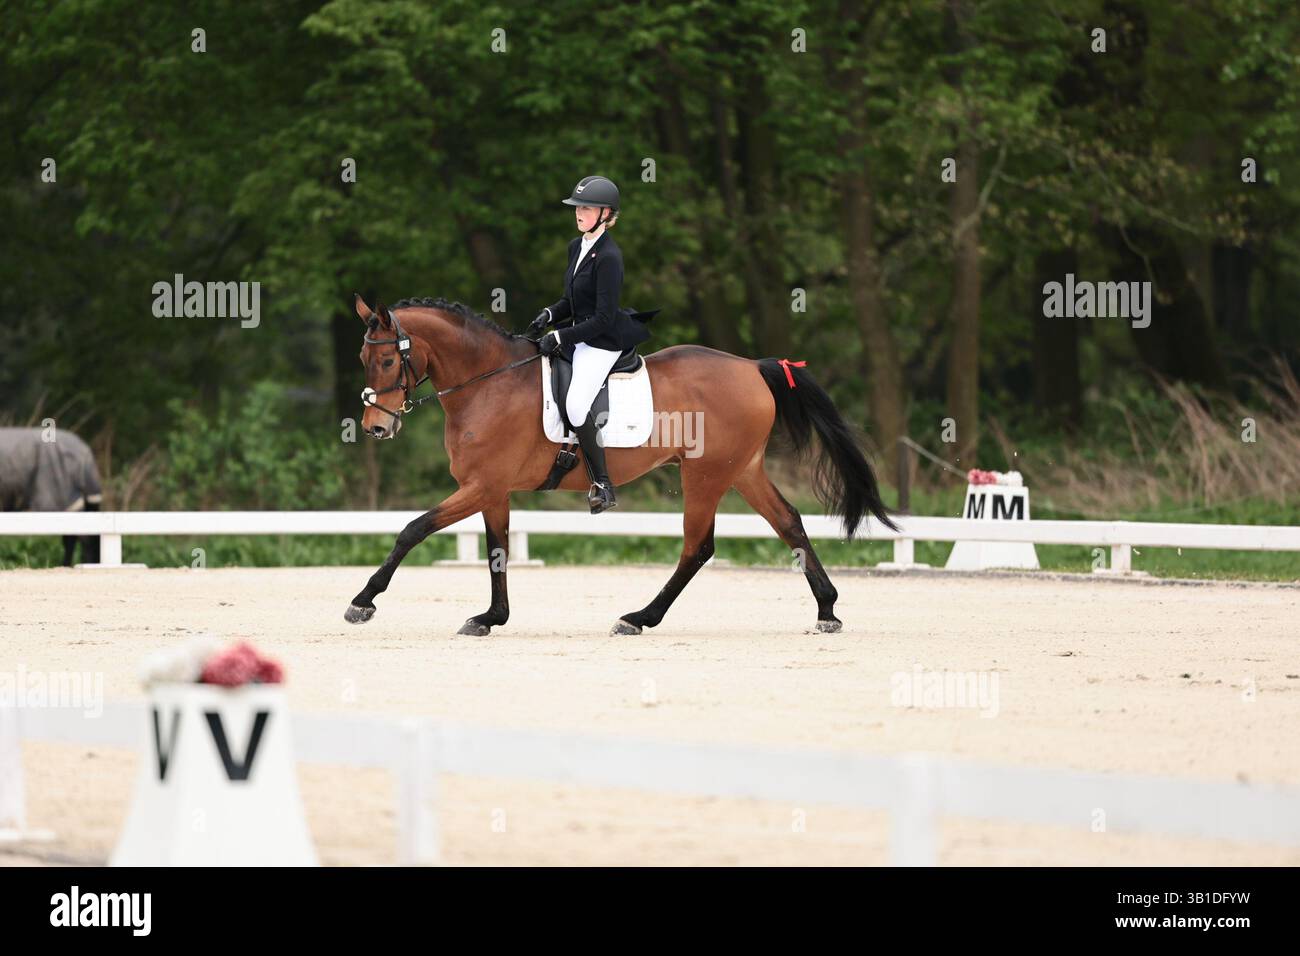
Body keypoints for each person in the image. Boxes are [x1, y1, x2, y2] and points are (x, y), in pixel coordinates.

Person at [529, 175, 650, 514]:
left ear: (606, 213)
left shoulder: (610, 256)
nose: (579, 213)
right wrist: (549, 313)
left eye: (586, 208)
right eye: (578, 207)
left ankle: (603, 484)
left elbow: (602, 317)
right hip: (578, 336)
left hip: (601, 341)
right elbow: (572, 300)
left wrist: (560, 335)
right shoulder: (576, 245)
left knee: (577, 405)